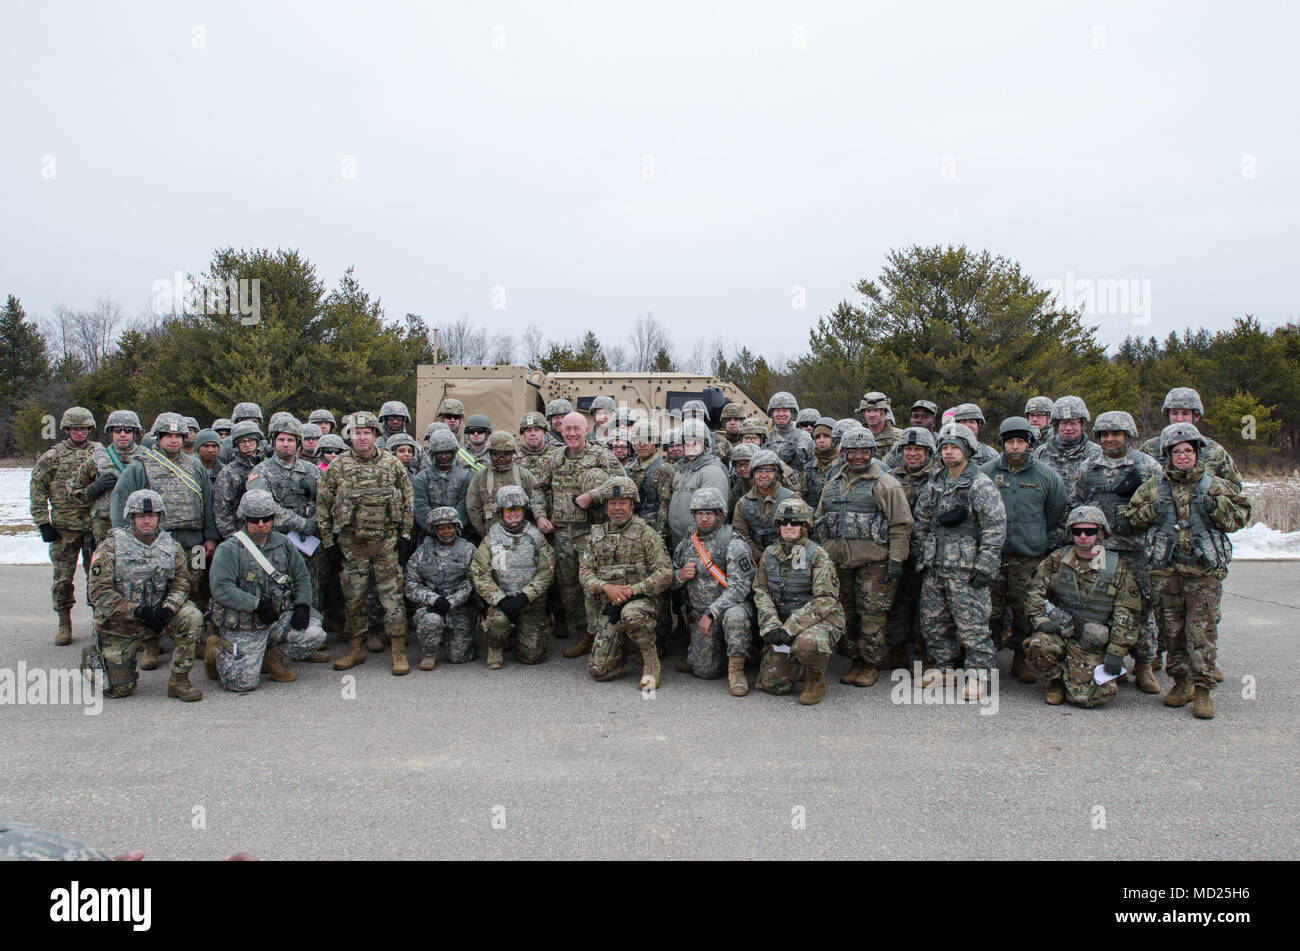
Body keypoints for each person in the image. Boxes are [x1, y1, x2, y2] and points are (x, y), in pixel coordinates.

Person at [1125, 423, 1251, 719]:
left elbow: (1241, 515)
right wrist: (1151, 510)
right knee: (1172, 630)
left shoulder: (1215, 484)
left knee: (1201, 631)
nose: (1182, 456)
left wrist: (1217, 507)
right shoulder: (1155, 486)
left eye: (1188, 451)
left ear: (1197, 454)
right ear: (1168, 455)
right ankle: (1181, 682)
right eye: (1177, 452)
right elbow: (1133, 516)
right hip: (1166, 571)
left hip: (1202, 573)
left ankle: (1203, 689)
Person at [110, 413, 218, 670]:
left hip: (193, 541)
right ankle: (150, 642)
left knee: (195, 588)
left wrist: (210, 537)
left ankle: (194, 637)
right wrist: (126, 539)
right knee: (153, 590)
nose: (173, 440)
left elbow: (208, 503)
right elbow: (120, 500)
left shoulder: (196, 468)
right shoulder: (141, 466)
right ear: (158, 438)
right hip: (156, 541)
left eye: (177, 436)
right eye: (167, 436)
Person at [1068, 410, 1163, 692]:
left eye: (1116, 434)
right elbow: (1075, 502)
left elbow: (1161, 507)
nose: (1110, 439)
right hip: (1099, 550)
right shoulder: (1088, 467)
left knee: (1141, 609)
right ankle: (1111, 664)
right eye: (1105, 434)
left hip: (1136, 550)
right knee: (1100, 609)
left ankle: (1144, 664)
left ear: (1128, 435)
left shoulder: (1147, 467)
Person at [911, 424, 1007, 699]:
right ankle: (945, 667)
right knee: (933, 622)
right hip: (936, 565)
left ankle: (978, 674)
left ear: (967, 450)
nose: (948, 451)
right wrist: (921, 555)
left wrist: (986, 565)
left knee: (973, 624)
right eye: (944, 447)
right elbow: (922, 520)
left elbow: (995, 527)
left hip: (966, 569)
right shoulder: (937, 481)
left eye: (954, 447)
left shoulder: (980, 484)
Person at [317, 411, 415, 675]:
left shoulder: (393, 464)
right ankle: (355, 648)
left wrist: (405, 536)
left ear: (375, 435)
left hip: (386, 543)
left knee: (392, 598)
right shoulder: (338, 466)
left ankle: (398, 650)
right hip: (352, 543)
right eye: (357, 433)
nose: (361, 437)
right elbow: (323, 505)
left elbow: (408, 502)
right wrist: (329, 544)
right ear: (350, 436)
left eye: (366, 433)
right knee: (354, 598)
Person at [814, 428, 913, 687]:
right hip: (840, 563)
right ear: (843, 452)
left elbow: (901, 525)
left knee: (873, 616)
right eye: (852, 452)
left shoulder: (885, 484)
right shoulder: (833, 483)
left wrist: (896, 560)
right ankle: (855, 660)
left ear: (871, 452)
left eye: (863, 451)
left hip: (874, 564)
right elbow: (819, 519)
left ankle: (870, 664)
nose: (858, 457)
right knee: (846, 615)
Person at [85, 489, 204, 701]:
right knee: (119, 690)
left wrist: (168, 609)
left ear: (160, 517)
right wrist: (138, 611)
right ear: (132, 517)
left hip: (159, 615)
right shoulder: (111, 546)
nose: (147, 521)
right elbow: (99, 593)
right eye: (141, 516)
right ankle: (92, 659)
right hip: (122, 623)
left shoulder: (171, 546)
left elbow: (182, 583)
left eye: (152, 515)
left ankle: (179, 680)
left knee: (191, 616)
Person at [203, 490, 326, 691]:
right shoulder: (230, 549)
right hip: (245, 623)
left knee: (315, 634)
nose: (261, 524)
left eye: (266, 519)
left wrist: (303, 604)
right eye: (255, 520)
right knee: (241, 684)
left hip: (277, 616)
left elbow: (301, 576)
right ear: (245, 519)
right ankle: (215, 650)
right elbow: (221, 589)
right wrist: (255, 604)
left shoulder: (283, 543)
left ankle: (273, 656)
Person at [1022, 506, 1143, 708]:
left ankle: (1081, 673)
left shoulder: (1115, 567)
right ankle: (1056, 681)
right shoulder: (1057, 559)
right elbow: (1033, 591)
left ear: (1101, 533)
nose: (1083, 536)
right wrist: (1041, 619)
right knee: (1038, 644)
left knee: (1093, 698)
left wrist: (1116, 650)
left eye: (1090, 531)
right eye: (1078, 531)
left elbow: (1127, 612)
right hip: (1062, 632)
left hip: (1092, 640)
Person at [980, 416, 1067, 683]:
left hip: (1029, 558)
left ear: (1030, 444)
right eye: (1010, 442)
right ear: (1002, 444)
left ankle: (1020, 658)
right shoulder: (986, 473)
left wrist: (1032, 536)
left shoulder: (1047, 476)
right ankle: (985, 661)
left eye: (1021, 441)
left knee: (1024, 611)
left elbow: (1054, 513)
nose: (1015, 447)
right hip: (994, 555)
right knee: (989, 610)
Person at [533, 411, 626, 657]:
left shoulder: (601, 456)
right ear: (561, 432)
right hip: (561, 534)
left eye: (577, 428)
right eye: (567, 429)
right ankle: (582, 633)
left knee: (592, 587)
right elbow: (538, 489)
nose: (572, 433)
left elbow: (624, 486)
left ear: (586, 430)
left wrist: (593, 495)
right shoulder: (554, 458)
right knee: (568, 588)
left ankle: (600, 634)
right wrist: (540, 515)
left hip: (591, 532)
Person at [579, 476, 674, 689]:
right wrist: (605, 587)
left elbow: (665, 573)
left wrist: (632, 590)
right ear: (606, 506)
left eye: (622, 502)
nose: (617, 508)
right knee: (600, 671)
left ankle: (650, 660)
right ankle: (623, 646)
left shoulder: (646, 534)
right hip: (609, 606)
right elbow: (585, 572)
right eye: (613, 503)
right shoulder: (597, 535)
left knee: (631, 615)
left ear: (632, 504)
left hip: (639, 603)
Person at [753, 498, 845, 705]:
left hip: (819, 620)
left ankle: (815, 676)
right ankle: (796, 665)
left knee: (806, 644)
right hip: (783, 622)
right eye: (784, 523)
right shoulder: (769, 554)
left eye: (795, 523)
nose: (788, 527)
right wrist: (772, 625)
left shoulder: (818, 556)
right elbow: (761, 590)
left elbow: (824, 600)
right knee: (773, 685)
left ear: (805, 526)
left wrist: (790, 628)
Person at [671, 487, 755, 696]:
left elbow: (740, 587)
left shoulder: (733, 543)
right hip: (700, 615)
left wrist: (712, 612)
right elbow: (668, 575)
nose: (704, 518)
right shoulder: (689, 542)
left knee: (736, 616)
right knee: (705, 671)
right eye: (700, 513)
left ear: (720, 514)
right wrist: (680, 576)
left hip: (725, 611)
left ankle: (736, 672)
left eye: (709, 513)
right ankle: (710, 654)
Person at [30, 406, 100, 646]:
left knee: (98, 579)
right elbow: (37, 488)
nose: (79, 432)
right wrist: (42, 522)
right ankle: (64, 622)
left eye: (83, 428)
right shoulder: (53, 456)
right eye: (75, 429)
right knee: (63, 580)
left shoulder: (99, 453)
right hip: (63, 528)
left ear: (89, 429)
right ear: (67, 430)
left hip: (94, 527)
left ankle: (99, 622)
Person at [471, 485, 557, 668]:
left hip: (531, 602)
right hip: (502, 601)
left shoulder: (536, 536)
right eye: (508, 510)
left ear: (523, 510)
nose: (513, 514)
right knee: (498, 622)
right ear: (500, 511)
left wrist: (526, 596)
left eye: (517, 509)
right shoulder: (492, 537)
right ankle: (496, 647)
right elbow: (479, 573)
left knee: (531, 656)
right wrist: (500, 599)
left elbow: (546, 570)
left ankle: (525, 631)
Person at [884, 427, 939, 667]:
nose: (913, 454)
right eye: (908, 449)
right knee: (895, 603)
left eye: (918, 449)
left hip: (926, 553)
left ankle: (923, 655)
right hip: (895, 551)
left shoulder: (939, 479)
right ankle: (895, 650)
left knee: (925, 607)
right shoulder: (889, 478)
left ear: (928, 452)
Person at [405, 507, 479, 668]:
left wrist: (452, 601)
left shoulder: (468, 550)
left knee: (459, 657)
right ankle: (429, 653)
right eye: (441, 527)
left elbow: (472, 582)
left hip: (458, 607)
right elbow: (411, 583)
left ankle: (460, 638)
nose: (446, 531)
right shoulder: (422, 552)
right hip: (432, 606)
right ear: (434, 529)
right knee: (432, 620)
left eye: (450, 527)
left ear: (457, 527)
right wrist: (433, 599)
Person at [1139, 387, 1243, 492]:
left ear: (1196, 416)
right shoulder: (1151, 448)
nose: (1179, 419)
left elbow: (1235, 487)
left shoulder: (1213, 451)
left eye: (1185, 413)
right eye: (1174, 413)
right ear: (1168, 415)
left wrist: (1207, 487)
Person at [70, 409, 140, 548]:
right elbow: (74, 493)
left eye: (128, 430)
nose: (122, 434)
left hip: (138, 523)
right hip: (105, 524)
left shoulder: (146, 457)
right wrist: (93, 489)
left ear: (134, 432)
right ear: (111, 432)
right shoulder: (98, 458)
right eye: (117, 430)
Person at [465, 431, 544, 540]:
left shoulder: (524, 475)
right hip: (490, 536)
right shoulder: (480, 477)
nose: (501, 458)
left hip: (521, 537)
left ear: (512, 453)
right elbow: (472, 508)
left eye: (506, 454)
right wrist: (485, 535)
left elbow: (537, 499)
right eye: (496, 454)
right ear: (489, 453)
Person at [1033, 395, 1102, 500]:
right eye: (1064, 423)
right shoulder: (1041, 453)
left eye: (1074, 423)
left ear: (1082, 425)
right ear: (1057, 425)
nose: (1068, 428)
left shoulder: (1096, 454)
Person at [732, 449, 792, 562]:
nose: (763, 475)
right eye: (759, 471)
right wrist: (761, 559)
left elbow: (801, 533)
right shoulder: (743, 503)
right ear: (752, 474)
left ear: (776, 473)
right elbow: (742, 536)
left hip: (788, 558)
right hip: (755, 560)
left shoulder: (791, 498)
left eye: (768, 471)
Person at [213, 419, 266, 539]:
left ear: (258, 442)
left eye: (251, 440)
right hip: (241, 533)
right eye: (243, 441)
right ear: (236, 444)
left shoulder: (267, 467)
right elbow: (222, 512)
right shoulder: (229, 473)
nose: (247, 445)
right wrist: (235, 539)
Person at [763, 391, 813, 487]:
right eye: (777, 411)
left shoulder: (804, 438)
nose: (781, 414)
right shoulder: (765, 439)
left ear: (792, 413)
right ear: (772, 414)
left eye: (785, 410)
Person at [802, 416, 842, 511]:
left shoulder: (843, 465)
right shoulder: (809, 467)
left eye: (826, 436)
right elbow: (801, 494)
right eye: (818, 437)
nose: (821, 440)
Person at [858, 392, 904, 461]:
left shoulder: (901, 437)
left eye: (876, 410)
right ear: (864, 413)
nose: (871, 415)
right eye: (868, 411)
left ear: (884, 413)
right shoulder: (856, 437)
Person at [515, 411, 553, 481]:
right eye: (528, 430)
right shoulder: (513, 456)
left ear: (544, 432)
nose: (532, 433)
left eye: (537, 430)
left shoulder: (556, 455)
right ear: (523, 433)